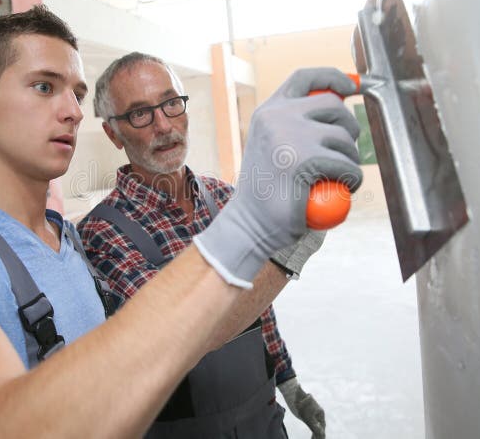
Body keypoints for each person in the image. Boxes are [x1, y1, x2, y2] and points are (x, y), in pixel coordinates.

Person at [0, 5, 362, 438]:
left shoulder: (68, 244)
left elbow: (152, 355)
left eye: (75, 93)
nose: (71, 111)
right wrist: (260, 228)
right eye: (43, 86)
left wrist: (286, 377)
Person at [78, 52, 326, 438]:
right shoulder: (103, 233)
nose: (164, 124)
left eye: (171, 103)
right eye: (141, 114)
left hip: (262, 418)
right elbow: (182, 331)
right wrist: (289, 246)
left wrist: (288, 381)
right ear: (113, 133)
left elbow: (258, 307)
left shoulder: (225, 199)